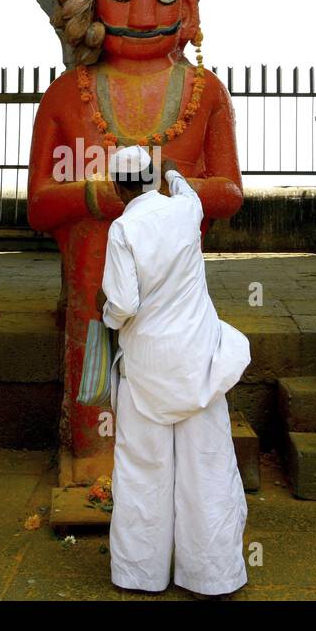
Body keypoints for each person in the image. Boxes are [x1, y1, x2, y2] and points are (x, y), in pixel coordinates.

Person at [96, 144, 250, 596]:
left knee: (145, 469)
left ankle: (140, 575)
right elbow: (186, 188)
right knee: (207, 465)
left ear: (117, 186)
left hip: (148, 368)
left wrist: (104, 313)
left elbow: (122, 304)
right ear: (150, 179)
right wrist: (174, 173)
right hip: (198, 360)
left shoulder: (123, 228)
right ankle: (213, 576)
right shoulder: (186, 209)